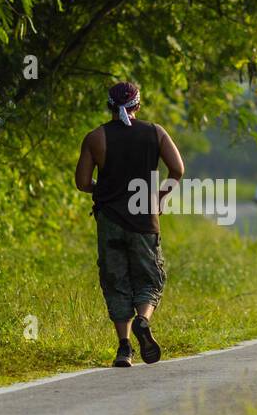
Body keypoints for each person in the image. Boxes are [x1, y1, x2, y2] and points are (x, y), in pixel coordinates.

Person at [75, 82, 185, 368]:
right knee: (149, 279)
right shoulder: (155, 133)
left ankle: (124, 348)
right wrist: (159, 196)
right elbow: (178, 169)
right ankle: (143, 320)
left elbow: (83, 183)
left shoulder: (96, 137)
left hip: (110, 220)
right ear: (137, 105)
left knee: (116, 280)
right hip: (145, 219)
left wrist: (105, 188)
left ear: (109, 106)